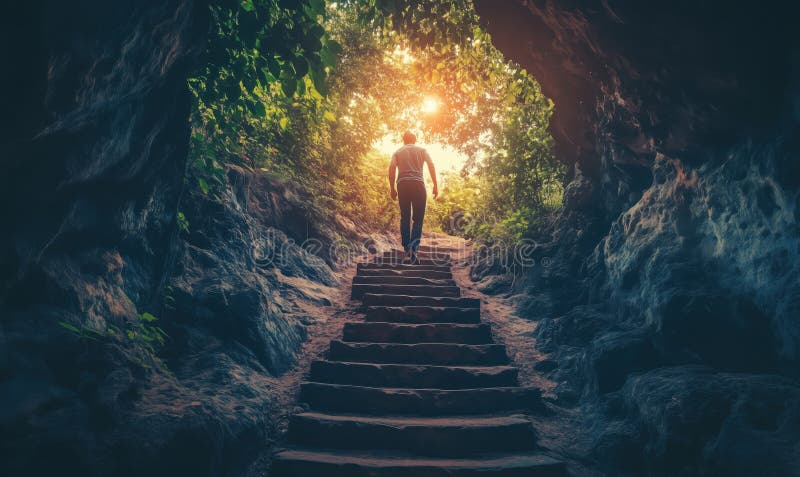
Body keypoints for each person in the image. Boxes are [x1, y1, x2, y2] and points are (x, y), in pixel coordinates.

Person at [388, 131, 438, 263]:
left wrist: (392, 187)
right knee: (418, 218)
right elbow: (431, 164)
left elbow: (392, 167)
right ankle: (413, 247)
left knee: (405, 216)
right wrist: (435, 184)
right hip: (418, 184)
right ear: (414, 140)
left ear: (404, 140)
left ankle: (406, 247)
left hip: (402, 185)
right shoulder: (422, 150)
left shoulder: (397, 152)